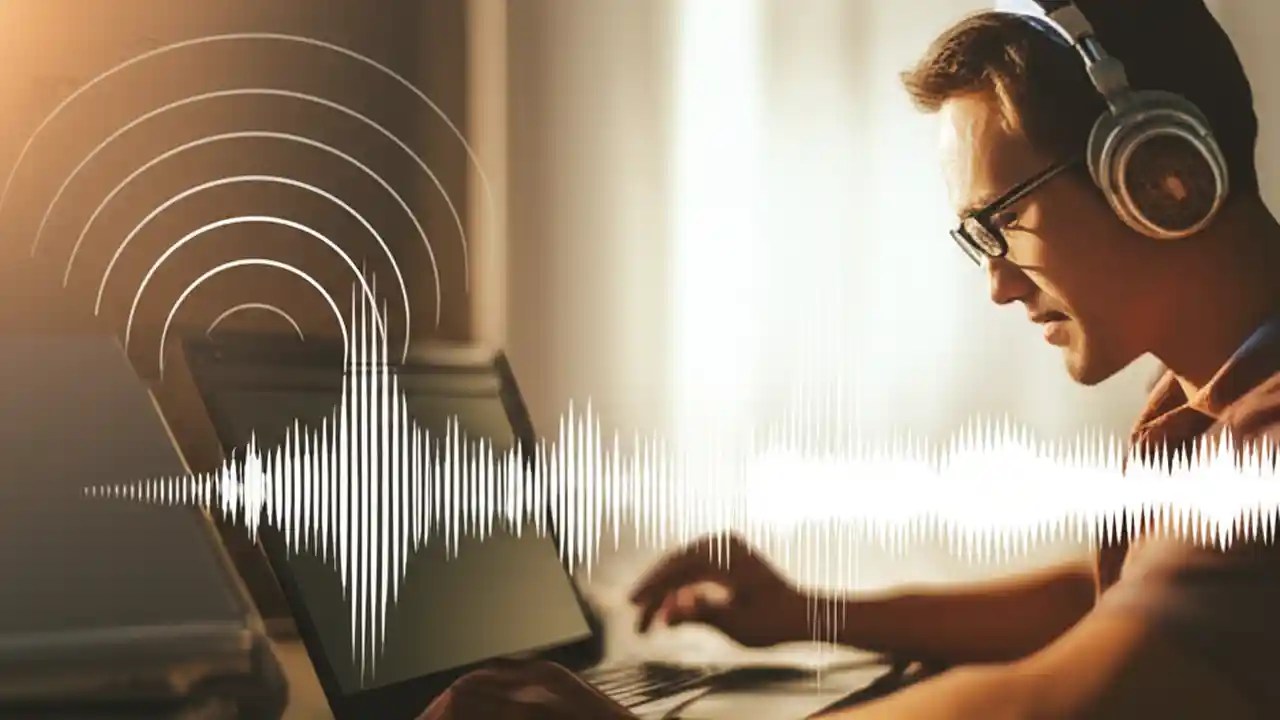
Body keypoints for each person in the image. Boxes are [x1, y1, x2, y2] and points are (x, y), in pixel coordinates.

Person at [421, 0, 1280, 716]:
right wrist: (809, 611)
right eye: (974, 240)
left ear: (1162, 177)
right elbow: (1099, 607)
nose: (999, 286)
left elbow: (1063, 694)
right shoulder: (1202, 398)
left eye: (1004, 220)